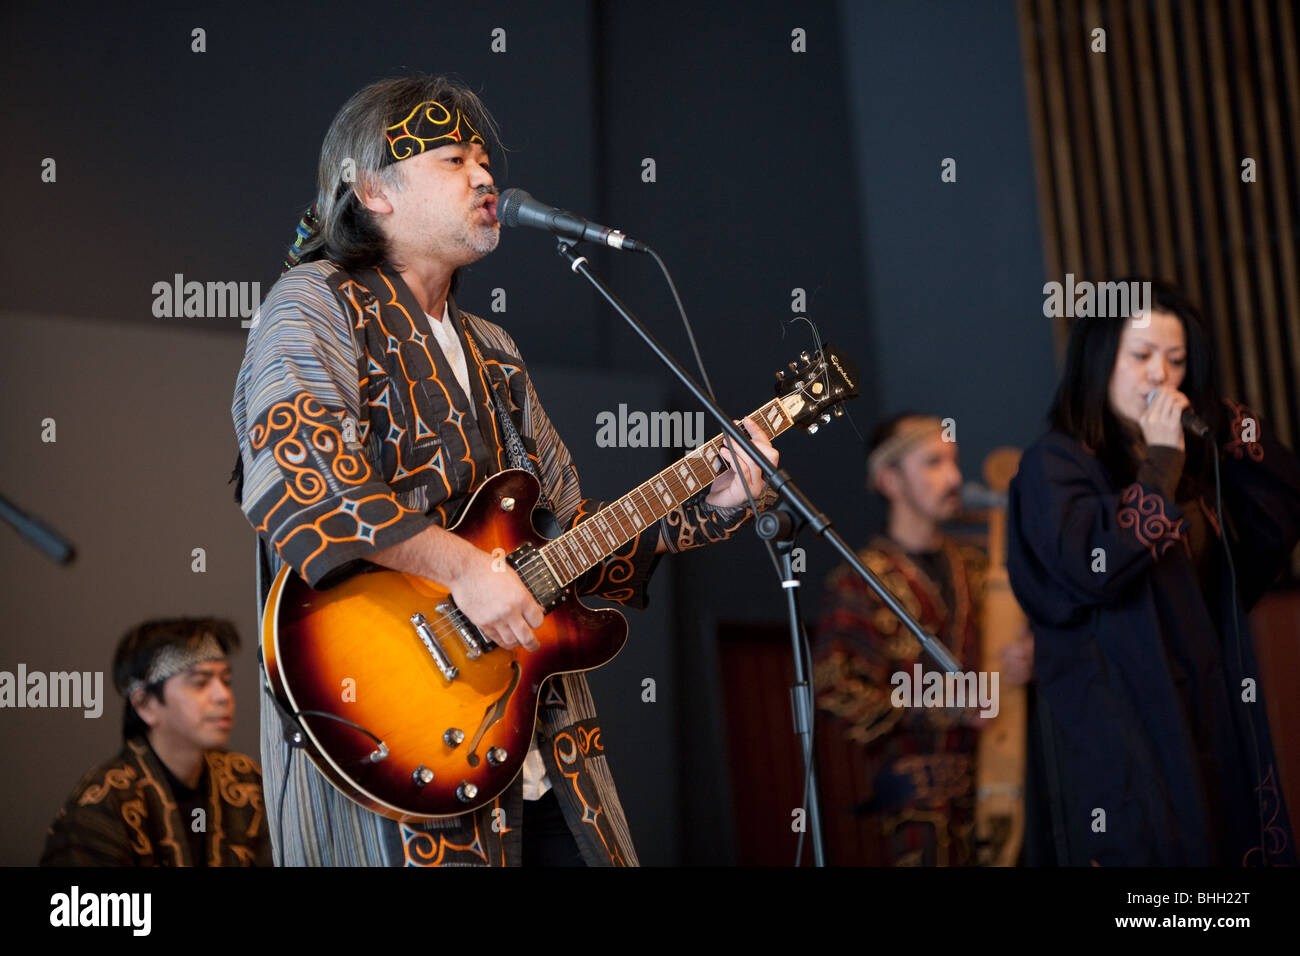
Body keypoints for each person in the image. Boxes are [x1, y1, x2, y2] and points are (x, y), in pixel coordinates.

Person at [231, 74, 777, 867]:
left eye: (484, 159)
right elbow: (301, 474)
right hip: (392, 742)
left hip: (545, 751)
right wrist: (463, 569)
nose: (485, 177)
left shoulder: (494, 349)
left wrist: (708, 502)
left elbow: (568, 541)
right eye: (454, 159)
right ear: (374, 190)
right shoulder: (312, 302)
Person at [1006, 279, 1299, 866]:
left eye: (1178, 360)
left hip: (1206, 714)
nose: (1160, 375)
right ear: (1097, 362)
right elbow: (1094, 568)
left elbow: (1279, 511)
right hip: (1122, 734)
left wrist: (1216, 426)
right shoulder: (1055, 464)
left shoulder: (1185, 471)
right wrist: (1161, 464)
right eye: (1141, 356)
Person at [814, 413, 1033, 866]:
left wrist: (1025, 660)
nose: (954, 477)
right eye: (933, 462)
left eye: (952, 461)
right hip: (916, 810)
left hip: (1002, 783)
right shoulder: (859, 583)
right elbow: (835, 690)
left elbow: (1002, 663)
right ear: (889, 479)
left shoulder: (976, 568)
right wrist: (943, 708)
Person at [40, 618, 271, 866]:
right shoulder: (103, 801)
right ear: (145, 704)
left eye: (226, 681)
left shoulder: (245, 779)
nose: (223, 696)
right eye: (200, 683)